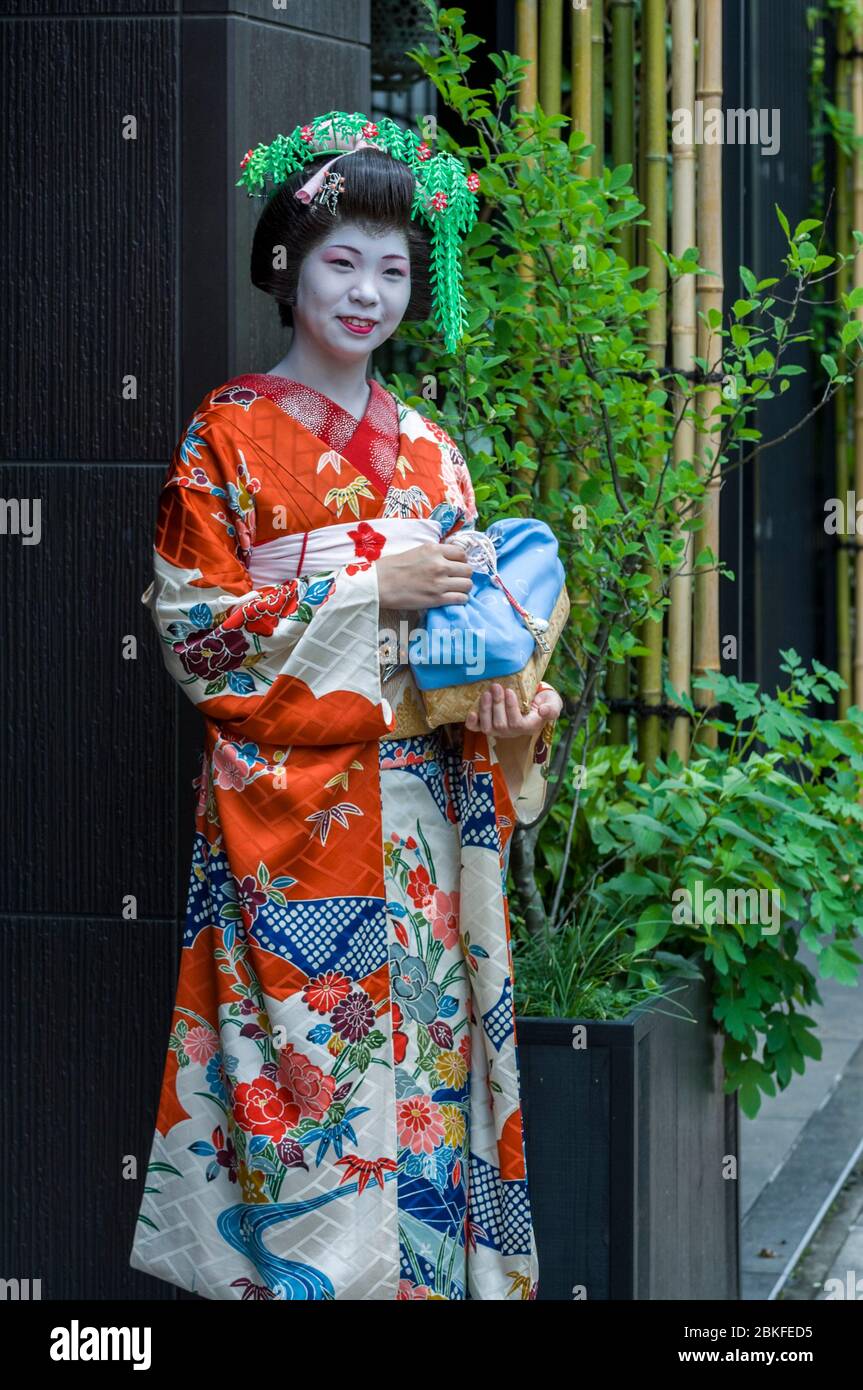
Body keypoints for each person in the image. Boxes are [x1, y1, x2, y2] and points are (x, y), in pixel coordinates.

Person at [129, 112, 564, 1302]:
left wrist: (512, 729)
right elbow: (197, 636)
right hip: (292, 836)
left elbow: (469, 666)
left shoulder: (436, 459)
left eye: (391, 266)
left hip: (424, 836)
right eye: (339, 259)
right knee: (308, 1118)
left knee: (423, 1103)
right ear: (285, 265)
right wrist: (371, 585)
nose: (367, 290)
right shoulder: (225, 436)